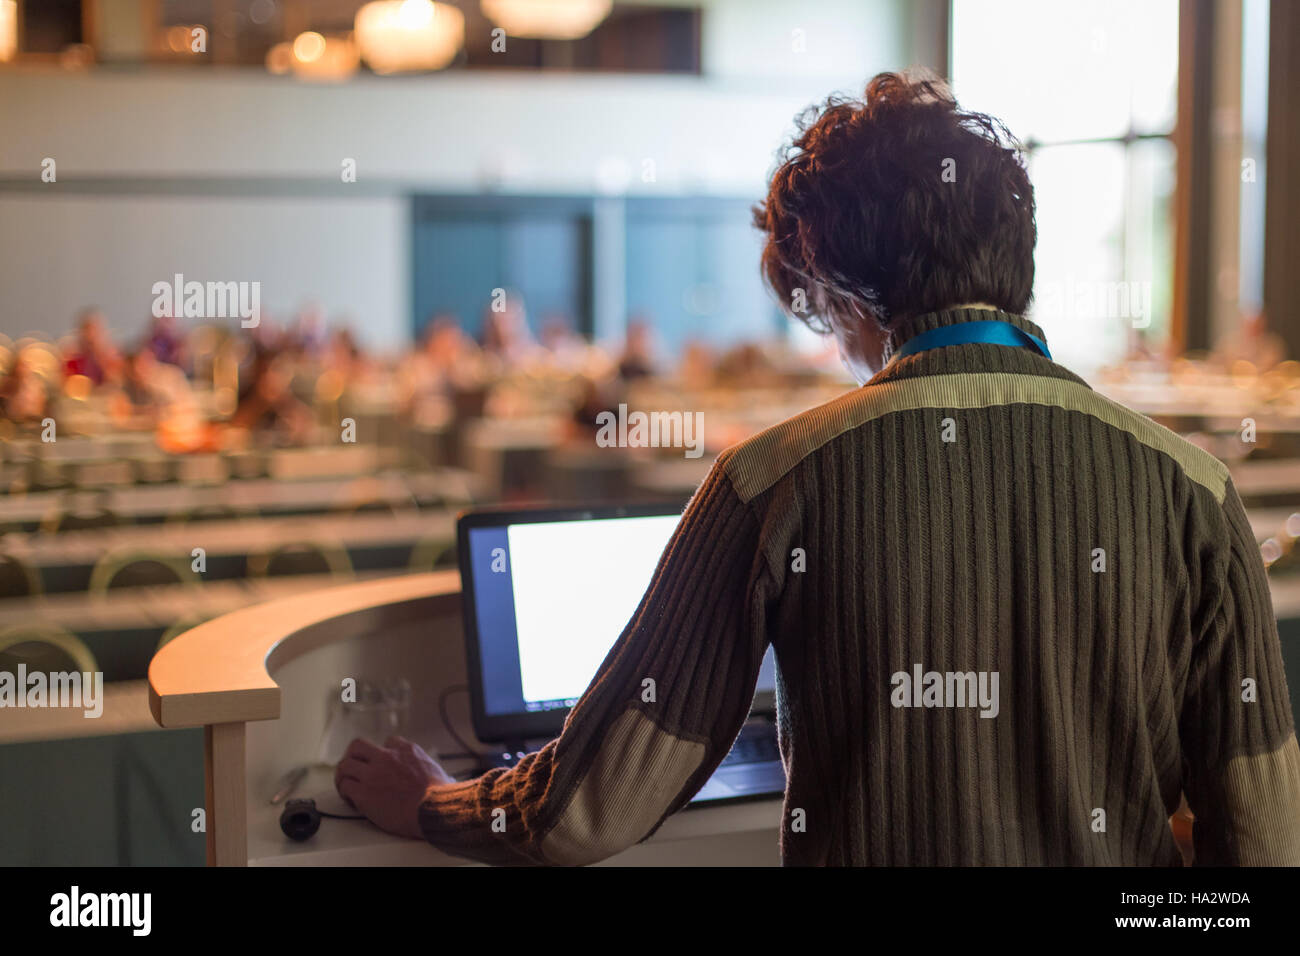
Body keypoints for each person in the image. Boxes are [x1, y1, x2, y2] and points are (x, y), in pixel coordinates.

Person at [335, 72, 1300, 866]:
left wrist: (438, 802)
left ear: (839, 288)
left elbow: (591, 807)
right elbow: (1264, 842)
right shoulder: (1193, 491)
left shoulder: (774, 478)